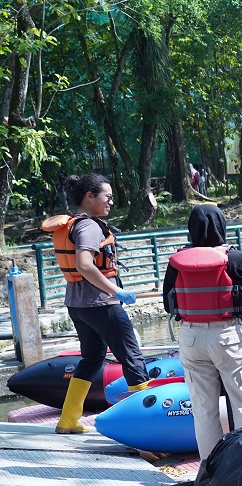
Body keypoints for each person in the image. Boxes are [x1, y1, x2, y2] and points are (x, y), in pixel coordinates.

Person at [40, 173, 150, 433]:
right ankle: (144, 428)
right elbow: (84, 264)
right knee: (132, 358)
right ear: (90, 197)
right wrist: (117, 291)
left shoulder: (75, 224)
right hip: (102, 304)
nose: (111, 202)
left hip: (78, 306)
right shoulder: (89, 226)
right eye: (107, 197)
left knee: (91, 359)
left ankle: (67, 421)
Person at [161, 205, 242, 461]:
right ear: (222, 225)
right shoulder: (233, 258)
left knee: (203, 409)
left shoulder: (178, 261)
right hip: (228, 336)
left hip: (191, 338)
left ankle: (210, 470)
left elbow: (168, 303)